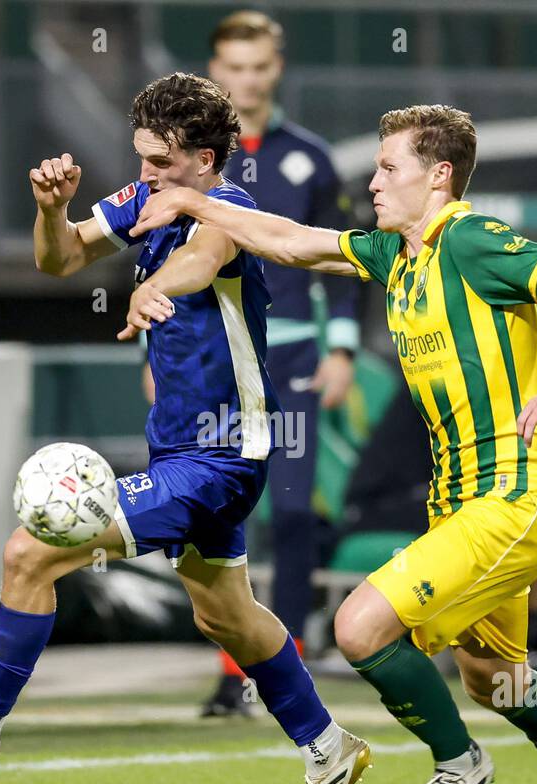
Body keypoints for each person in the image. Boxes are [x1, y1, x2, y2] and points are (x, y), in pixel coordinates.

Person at [133, 104, 537, 784]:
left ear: (439, 176)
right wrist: (189, 200)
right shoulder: (395, 254)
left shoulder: (468, 240)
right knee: (492, 678)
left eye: (388, 168)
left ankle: (457, 763)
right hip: (461, 506)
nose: (374, 182)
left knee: (360, 624)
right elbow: (289, 241)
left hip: (512, 497)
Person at [0, 74, 371, 784]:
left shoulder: (228, 208)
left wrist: (152, 291)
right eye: (141, 157)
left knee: (30, 553)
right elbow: (61, 260)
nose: (146, 174)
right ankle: (330, 746)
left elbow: (202, 261)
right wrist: (53, 213)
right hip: (179, 446)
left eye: (162, 163)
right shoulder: (143, 202)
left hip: (222, 455)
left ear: (206, 161)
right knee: (229, 618)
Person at [182, 10, 361, 717]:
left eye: (259, 68)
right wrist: (150, 350)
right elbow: (157, 260)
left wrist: (342, 348)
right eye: (234, 68)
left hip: (292, 359)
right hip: (211, 358)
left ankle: (275, 675)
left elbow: (339, 262)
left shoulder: (311, 159)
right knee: (217, 520)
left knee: (289, 516)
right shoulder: (188, 160)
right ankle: (233, 676)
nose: (247, 81)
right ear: (214, 71)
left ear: (276, 70)